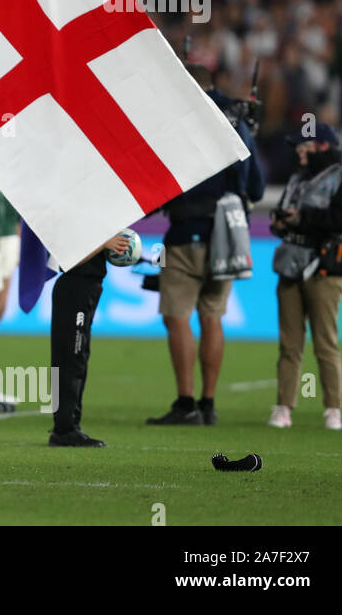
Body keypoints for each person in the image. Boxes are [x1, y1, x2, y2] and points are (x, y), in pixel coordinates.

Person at [147, 64, 265, 427]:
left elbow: (157, 184)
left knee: (177, 316)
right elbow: (257, 188)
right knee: (213, 315)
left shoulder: (178, 118)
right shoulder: (239, 120)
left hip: (187, 233)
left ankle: (186, 404)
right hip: (230, 236)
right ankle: (209, 404)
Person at [268, 123, 342, 431]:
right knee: (289, 343)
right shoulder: (296, 179)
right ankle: (283, 407)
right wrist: (280, 222)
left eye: (304, 146)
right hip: (291, 264)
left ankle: (333, 409)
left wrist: (303, 219)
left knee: (324, 342)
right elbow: (282, 212)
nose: (298, 151)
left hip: (324, 267)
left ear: (321, 147)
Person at [49, 233, 134, 447]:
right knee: (71, 357)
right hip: (74, 288)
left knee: (79, 356)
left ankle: (69, 426)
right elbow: (67, 261)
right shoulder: (71, 220)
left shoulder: (88, 223)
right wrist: (104, 244)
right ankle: (64, 429)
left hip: (87, 287)